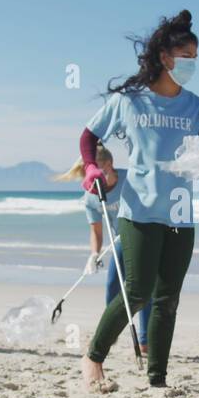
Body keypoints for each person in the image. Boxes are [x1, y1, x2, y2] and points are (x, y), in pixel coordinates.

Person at [78, 9, 199, 391]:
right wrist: (91, 167)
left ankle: (157, 379)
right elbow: (89, 137)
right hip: (139, 209)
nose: (191, 64)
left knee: (168, 299)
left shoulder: (197, 106)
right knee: (137, 291)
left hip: (180, 212)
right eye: (186, 56)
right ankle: (93, 358)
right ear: (164, 58)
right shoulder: (131, 102)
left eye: (195, 58)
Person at [53, 142, 149, 354]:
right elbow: (96, 231)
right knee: (113, 287)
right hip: (120, 241)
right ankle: (109, 334)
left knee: (142, 290)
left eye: (98, 169)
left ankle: (145, 340)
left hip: (143, 236)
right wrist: (94, 254)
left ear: (109, 165)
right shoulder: (91, 197)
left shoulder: (130, 179)